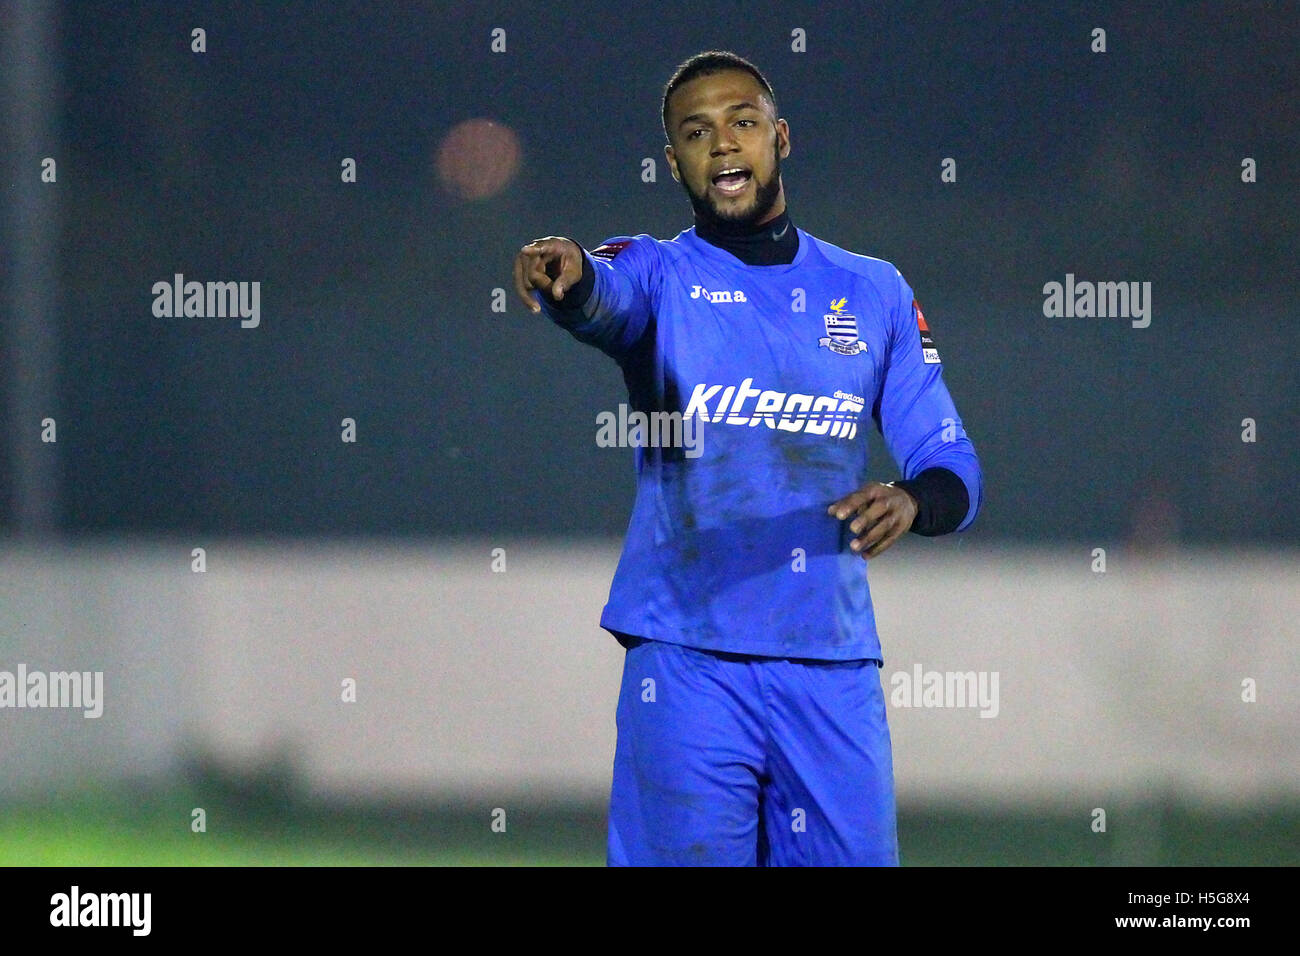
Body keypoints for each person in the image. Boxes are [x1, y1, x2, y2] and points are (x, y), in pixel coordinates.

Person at [512, 50, 983, 866]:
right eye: (697, 133)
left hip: (830, 667)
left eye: (742, 122)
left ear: (781, 137)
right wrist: (572, 273)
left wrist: (913, 500)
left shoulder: (871, 291)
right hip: (686, 661)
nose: (723, 145)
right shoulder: (659, 273)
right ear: (674, 162)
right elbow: (603, 298)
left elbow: (951, 459)